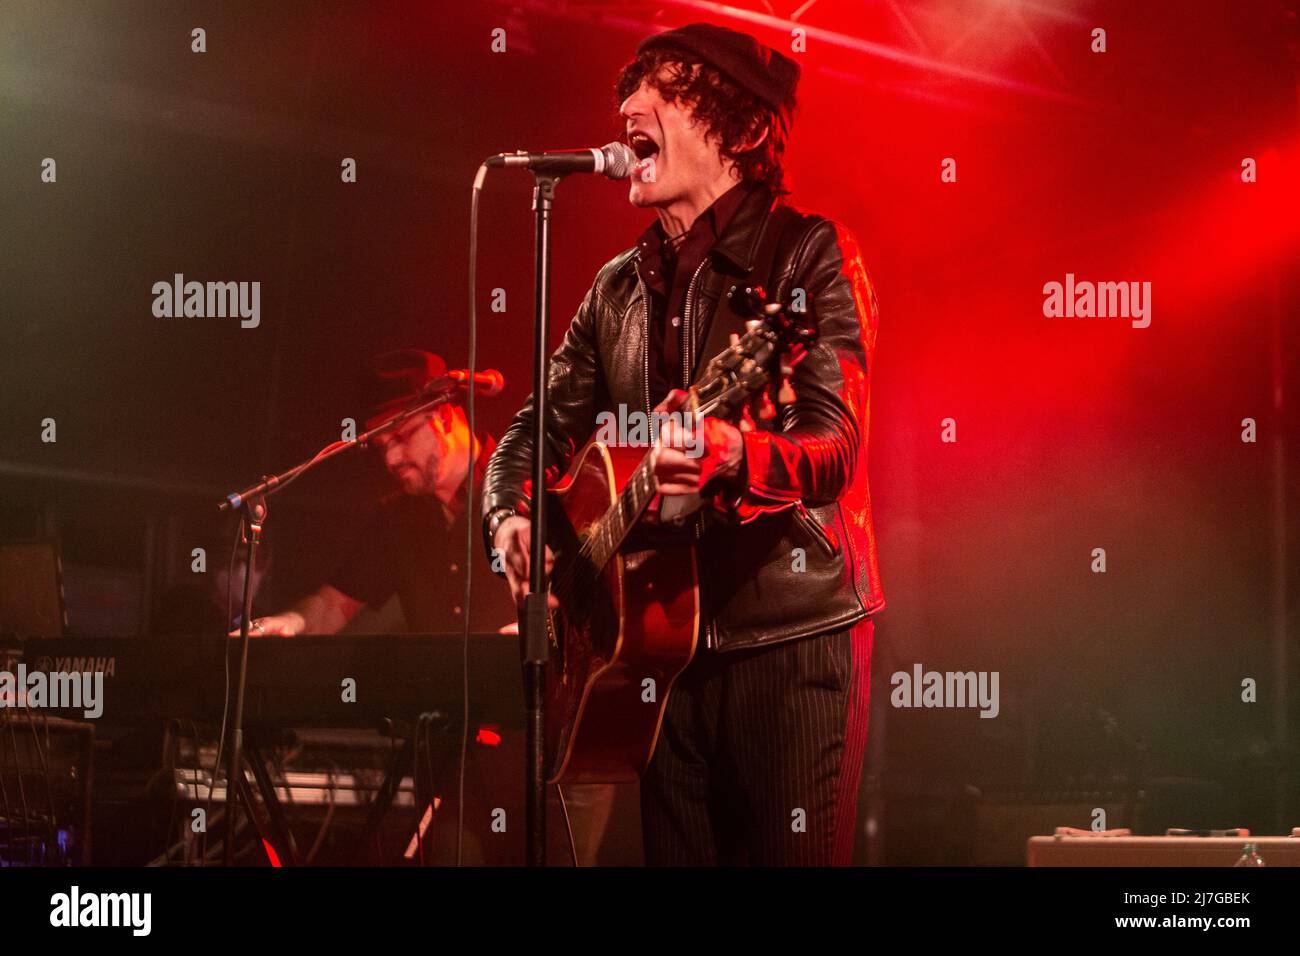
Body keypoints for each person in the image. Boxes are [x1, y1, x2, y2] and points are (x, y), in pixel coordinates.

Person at [483, 22, 884, 865]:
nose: (631, 103)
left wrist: (733, 452)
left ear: (741, 132)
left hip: (789, 637)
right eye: (631, 86)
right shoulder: (617, 289)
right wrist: (512, 522)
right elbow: (532, 432)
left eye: (668, 86)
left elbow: (834, 447)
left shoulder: (808, 255)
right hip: (656, 653)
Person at [244, 349, 514, 636]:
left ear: (444, 418)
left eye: (401, 435)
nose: (392, 458)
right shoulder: (398, 516)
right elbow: (332, 605)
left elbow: (564, 595)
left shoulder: (529, 487)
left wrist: (535, 630)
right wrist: (289, 623)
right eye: (382, 445)